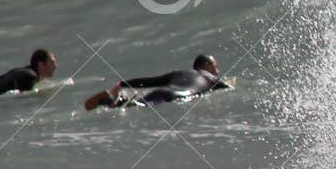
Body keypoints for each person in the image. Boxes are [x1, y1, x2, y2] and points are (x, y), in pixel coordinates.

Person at [82, 54, 230, 110]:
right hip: (176, 96)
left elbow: (149, 81)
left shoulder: (179, 73)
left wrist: (121, 84)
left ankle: (110, 99)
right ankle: (115, 102)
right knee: (134, 106)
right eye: (215, 67)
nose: (217, 71)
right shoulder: (212, 79)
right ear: (207, 66)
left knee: (136, 103)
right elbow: (229, 89)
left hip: (160, 92)